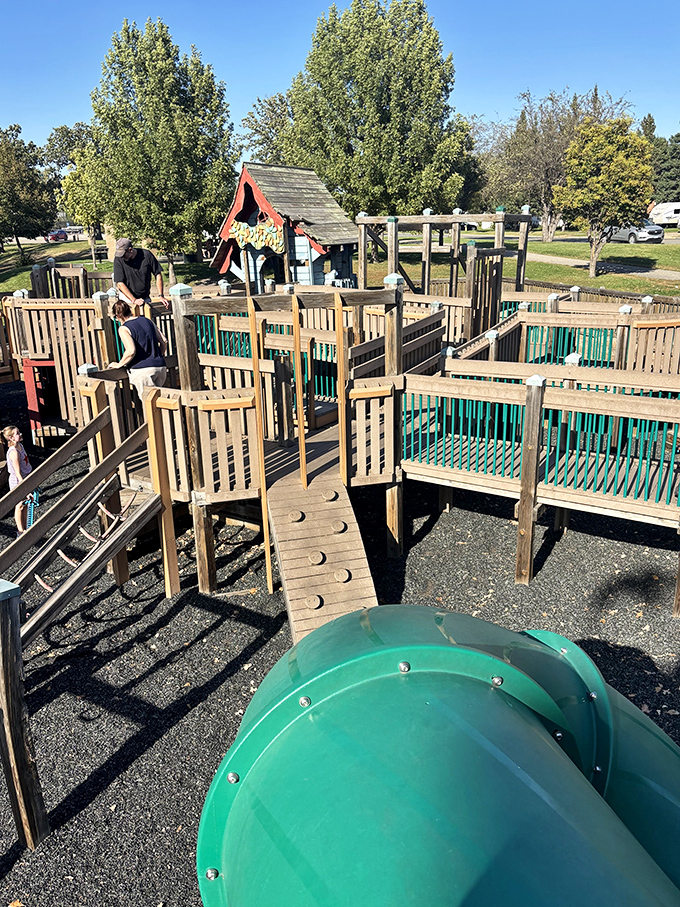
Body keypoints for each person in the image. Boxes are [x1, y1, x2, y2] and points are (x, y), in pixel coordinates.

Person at [110, 300, 168, 403]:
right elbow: (164, 341)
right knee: (160, 403)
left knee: (150, 405)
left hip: (143, 371)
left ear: (118, 316)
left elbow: (131, 350)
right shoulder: (147, 320)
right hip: (160, 367)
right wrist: (158, 356)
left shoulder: (124, 328)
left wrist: (119, 364)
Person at [113, 238, 169, 309]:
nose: (122, 256)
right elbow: (119, 283)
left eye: (123, 254)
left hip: (145, 297)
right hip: (127, 299)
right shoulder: (118, 259)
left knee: (147, 319)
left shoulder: (147, 255)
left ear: (130, 250)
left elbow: (158, 274)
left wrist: (161, 296)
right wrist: (134, 300)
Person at [2, 425, 32, 535]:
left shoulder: (20, 446)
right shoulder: (14, 452)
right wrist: (25, 488)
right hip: (18, 480)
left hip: (25, 477)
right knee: (19, 505)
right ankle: (20, 531)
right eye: (17, 433)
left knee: (24, 504)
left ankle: (25, 528)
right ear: (11, 438)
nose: (20, 434)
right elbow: (17, 473)